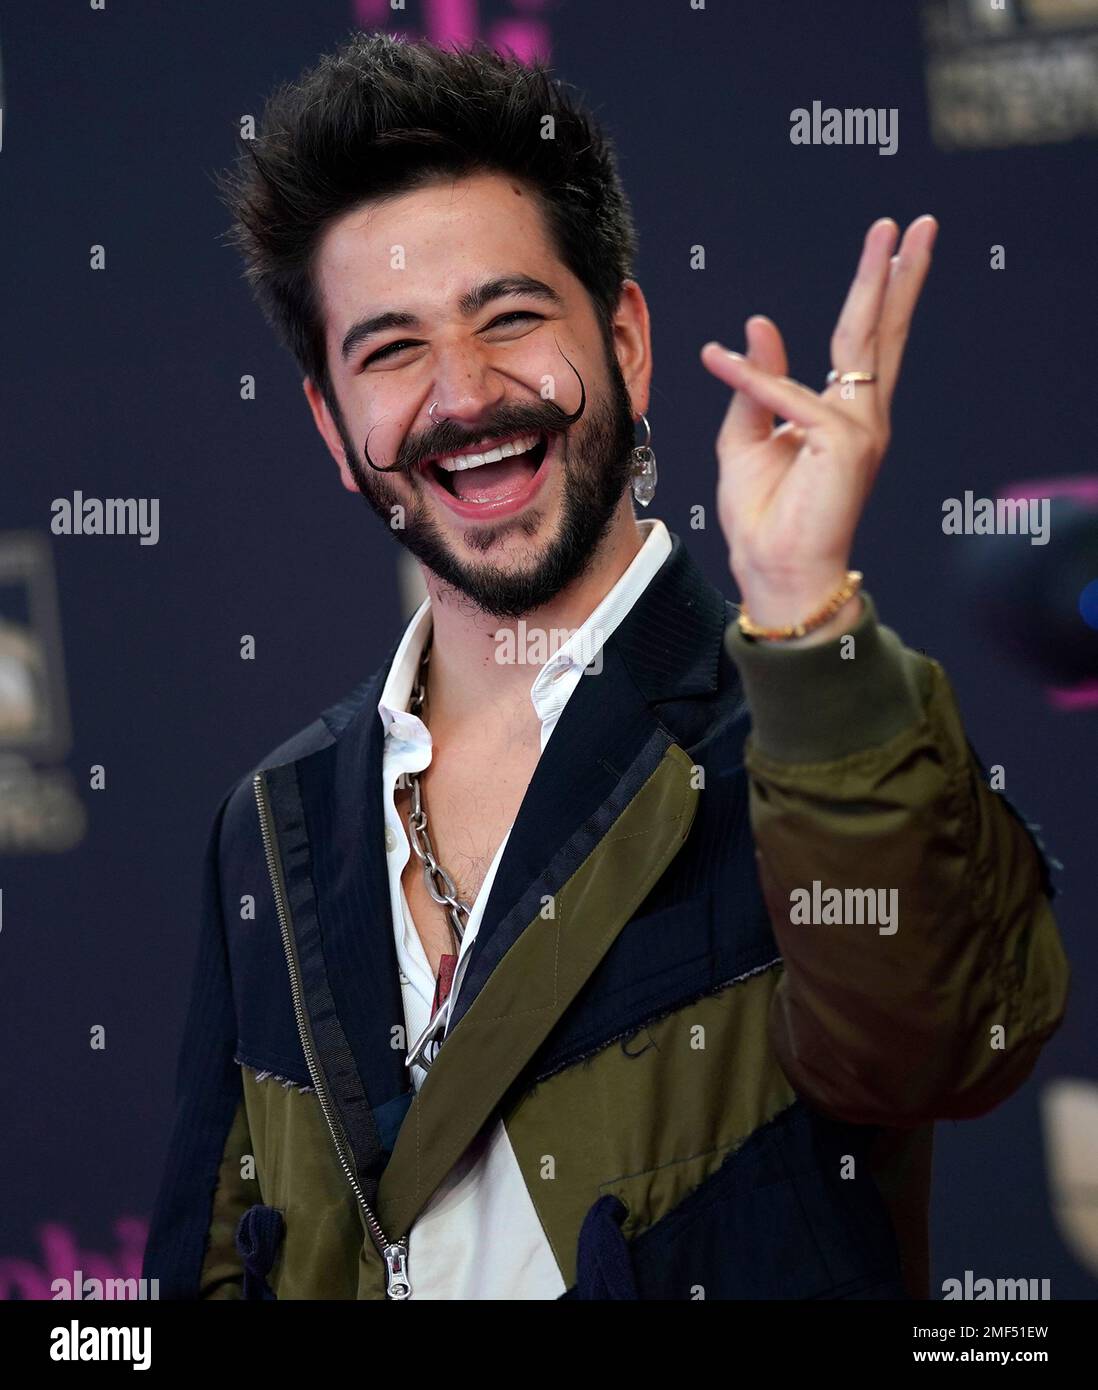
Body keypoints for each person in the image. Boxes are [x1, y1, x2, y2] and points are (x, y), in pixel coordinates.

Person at [142, 33, 1069, 1301]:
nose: (463, 396)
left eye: (509, 316)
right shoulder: (271, 822)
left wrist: (797, 606)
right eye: (391, 349)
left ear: (625, 341)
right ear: (332, 426)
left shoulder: (801, 731)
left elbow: (941, 1049)